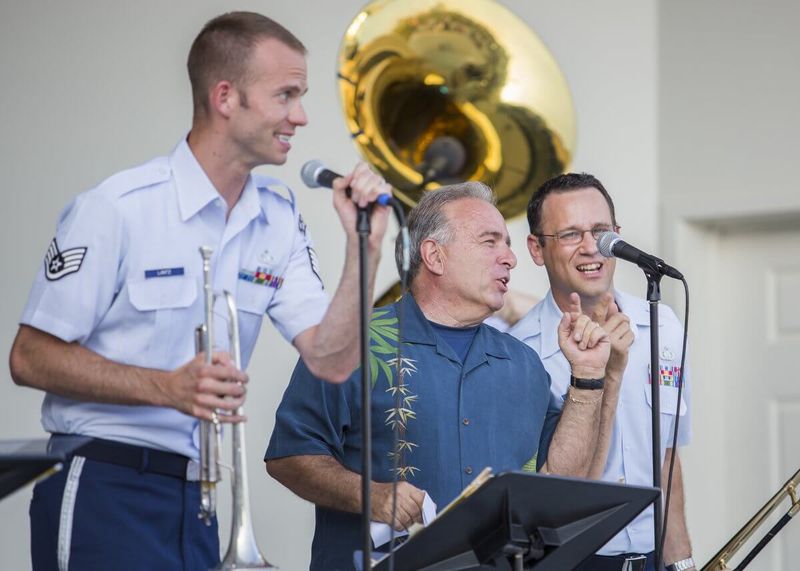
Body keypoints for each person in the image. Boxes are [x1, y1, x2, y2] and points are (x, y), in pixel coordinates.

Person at [8, 11, 392, 571]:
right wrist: (167, 387)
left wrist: (366, 248)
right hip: (104, 483)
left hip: (201, 496)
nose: (301, 116)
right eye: (286, 95)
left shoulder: (279, 218)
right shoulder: (119, 208)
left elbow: (332, 361)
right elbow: (29, 357)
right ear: (225, 97)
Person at [265, 181, 618, 570]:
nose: (510, 259)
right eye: (490, 242)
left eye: (508, 245)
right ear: (434, 255)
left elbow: (560, 483)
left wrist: (587, 376)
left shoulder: (523, 362)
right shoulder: (352, 344)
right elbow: (289, 456)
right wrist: (372, 495)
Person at [509, 173, 694, 571]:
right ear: (536, 249)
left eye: (600, 230)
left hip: (653, 558)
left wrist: (682, 562)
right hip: (573, 561)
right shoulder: (519, 351)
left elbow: (667, 458)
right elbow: (549, 493)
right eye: (571, 234)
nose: (592, 247)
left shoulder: (663, 324)